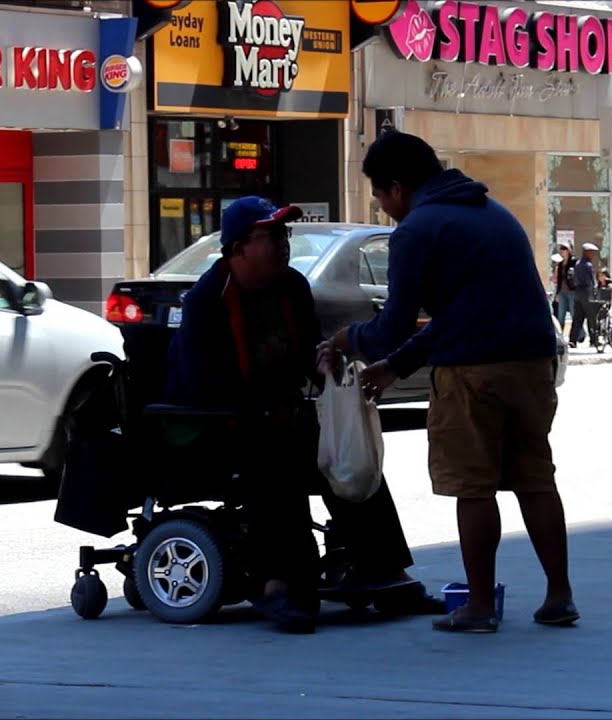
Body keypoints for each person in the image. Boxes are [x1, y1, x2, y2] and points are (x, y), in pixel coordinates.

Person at [321, 131, 576, 633]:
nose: (381, 206)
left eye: (379, 194)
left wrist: (346, 339)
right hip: (533, 363)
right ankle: (560, 596)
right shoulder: (492, 212)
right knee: (534, 478)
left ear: (396, 188)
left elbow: (390, 328)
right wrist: (398, 366)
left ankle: (479, 606)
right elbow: (460, 313)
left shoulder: (417, 230)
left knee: (473, 486)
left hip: (472, 374)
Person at [164, 195, 444, 634]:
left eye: (284, 234)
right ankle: (282, 582)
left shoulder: (291, 287)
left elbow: (302, 357)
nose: (282, 243)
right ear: (238, 248)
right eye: (271, 235)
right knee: (276, 454)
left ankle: (383, 568)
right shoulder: (207, 300)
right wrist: (269, 407)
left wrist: (322, 362)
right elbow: (200, 383)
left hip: (278, 414)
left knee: (347, 451)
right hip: (216, 422)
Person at [569, 243, 600, 347]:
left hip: (578, 293)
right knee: (592, 318)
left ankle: (572, 340)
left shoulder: (577, 264)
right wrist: (595, 291)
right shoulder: (588, 265)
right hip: (587, 292)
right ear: (586, 252)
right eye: (591, 252)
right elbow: (591, 281)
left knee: (577, 319)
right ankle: (594, 340)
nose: (593, 255)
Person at [551, 242, 582, 344]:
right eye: (561, 249)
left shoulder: (574, 262)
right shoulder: (560, 264)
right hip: (562, 293)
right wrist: (557, 294)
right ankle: (560, 338)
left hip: (572, 292)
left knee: (574, 315)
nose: (562, 251)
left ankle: (581, 334)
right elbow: (559, 280)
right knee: (560, 315)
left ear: (569, 251)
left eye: (564, 249)